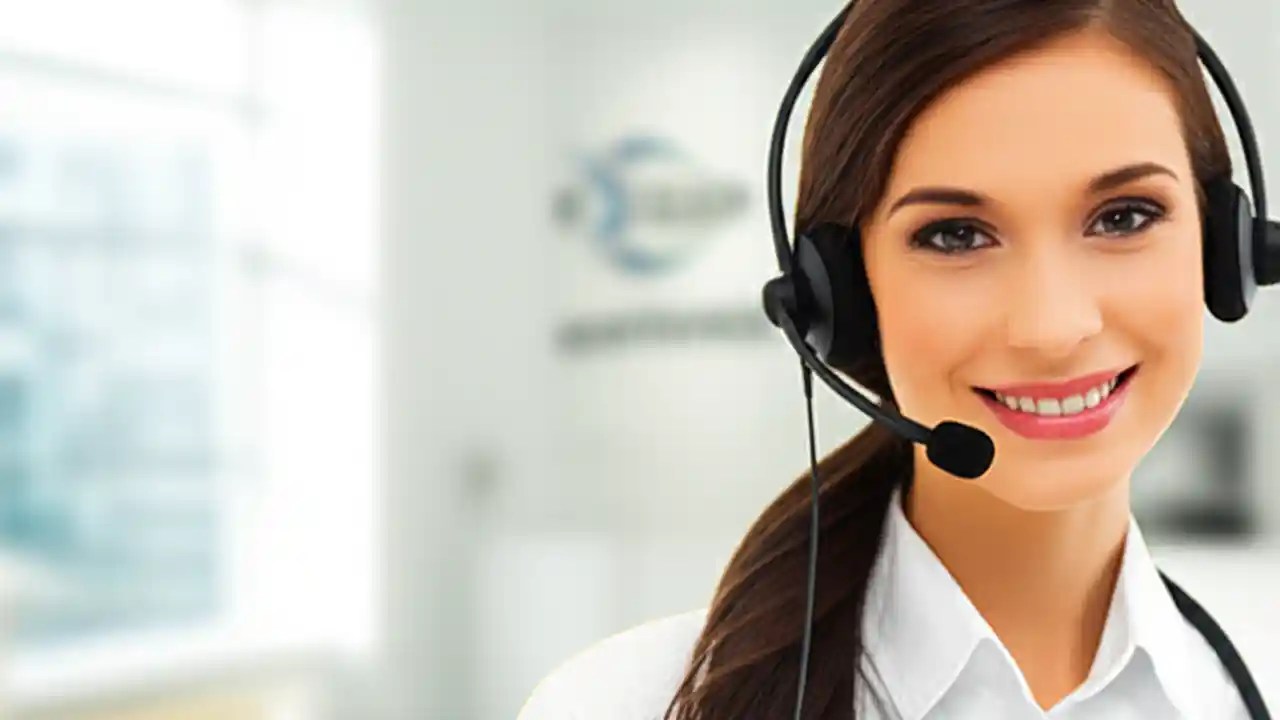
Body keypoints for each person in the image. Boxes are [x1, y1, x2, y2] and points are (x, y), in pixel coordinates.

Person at [518, 0, 1257, 717]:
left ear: (1225, 247)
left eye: (1123, 217)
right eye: (957, 236)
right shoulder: (627, 704)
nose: (1052, 327)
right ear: (840, 295)